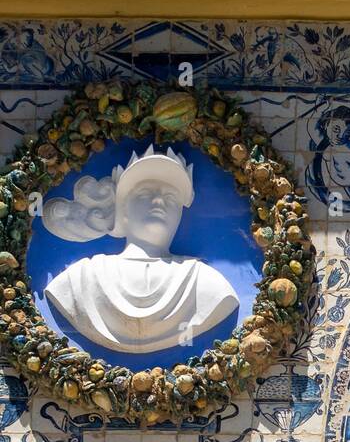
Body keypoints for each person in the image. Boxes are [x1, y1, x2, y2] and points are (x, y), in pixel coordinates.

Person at [44, 146, 238, 355]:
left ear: (180, 215)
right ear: (123, 208)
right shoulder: (79, 280)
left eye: (171, 198)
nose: (159, 201)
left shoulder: (208, 285)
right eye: (146, 193)